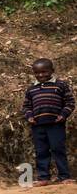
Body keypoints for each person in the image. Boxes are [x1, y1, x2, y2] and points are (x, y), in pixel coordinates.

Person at [22, 57, 74, 186]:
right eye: (37, 73)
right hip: (38, 125)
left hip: (56, 124)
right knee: (41, 151)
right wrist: (29, 117)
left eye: (44, 72)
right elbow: (26, 106)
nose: (41, 75)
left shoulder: (60, 85)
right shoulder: (31, 89)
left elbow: (70, 102)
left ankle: (64, 177)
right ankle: (43, 178)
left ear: (52, 71)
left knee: (58, 149)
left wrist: (63, 115)